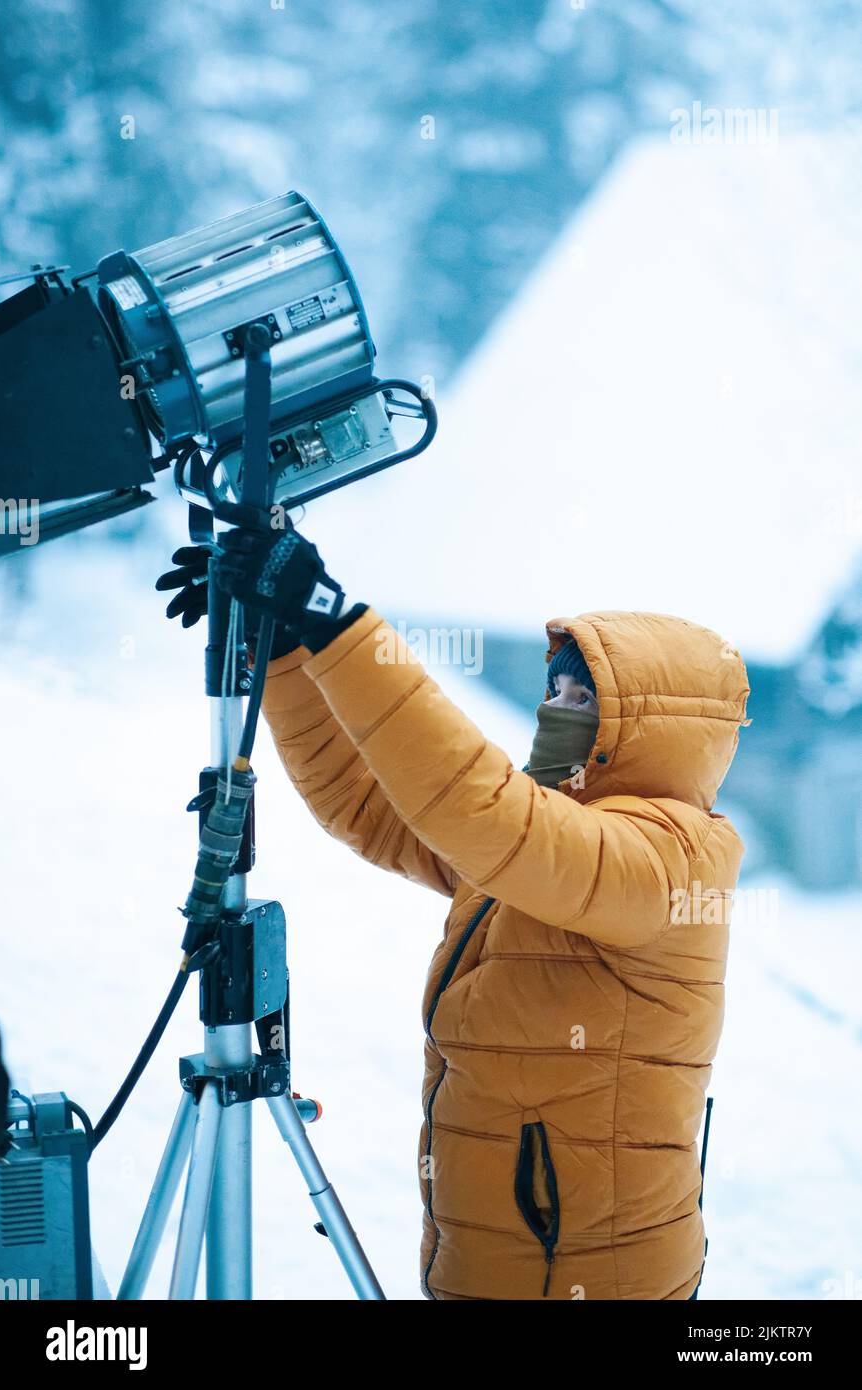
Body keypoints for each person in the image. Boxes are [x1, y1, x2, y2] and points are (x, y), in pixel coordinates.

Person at [158, 527, 750, 1301]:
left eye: (584, 701)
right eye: (555, 691)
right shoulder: (545, 837)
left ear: (653, 732)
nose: (555, 711)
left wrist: (333, 617)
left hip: (589, 1281)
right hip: (492, 1263)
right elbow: (370, 803)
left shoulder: (673, 856)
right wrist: (286, 648)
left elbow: (481, 813)